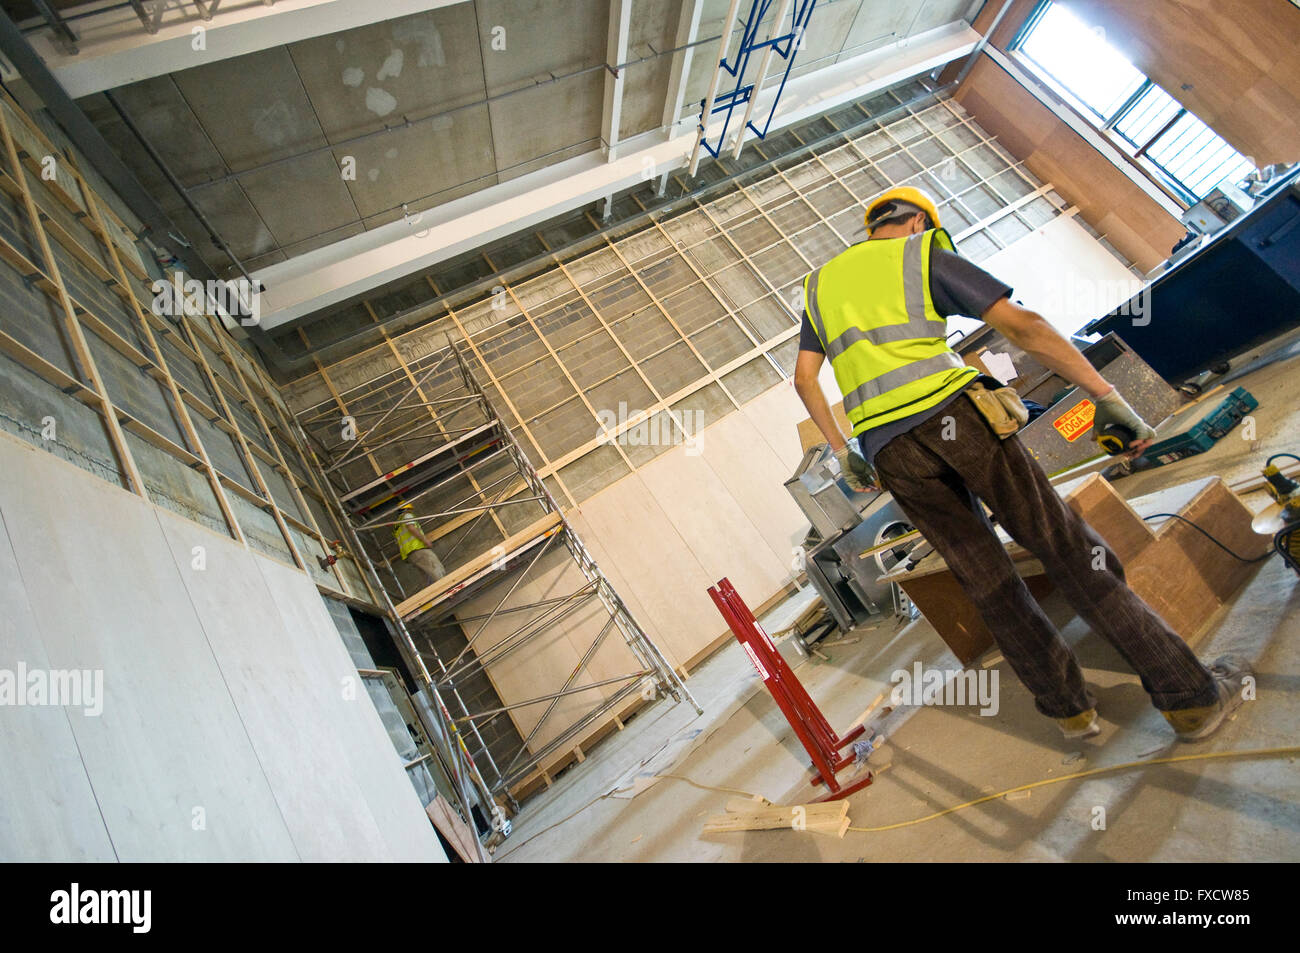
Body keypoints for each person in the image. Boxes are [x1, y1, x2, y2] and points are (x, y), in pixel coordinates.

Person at [793, 185, 1249, 741]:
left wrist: (843, 452)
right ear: (919, 224)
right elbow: (1023, 325)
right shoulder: (919, 256)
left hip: (888, 450)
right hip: (955, 418)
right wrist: (1107, 396)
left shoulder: (821, 287)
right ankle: (1189, 697)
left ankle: (1070, 712)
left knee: (985, 579)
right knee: (1069, 551)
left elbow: (805, 379)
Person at [393, 500, 446, 585]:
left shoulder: (396, 525)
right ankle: (448, 590)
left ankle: (436, 594)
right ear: (407, 509)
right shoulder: (407, 515)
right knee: (435, 568)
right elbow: (411, 528)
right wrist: (425, 540)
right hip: (418, 549)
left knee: (427, 576)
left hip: (410, 554)